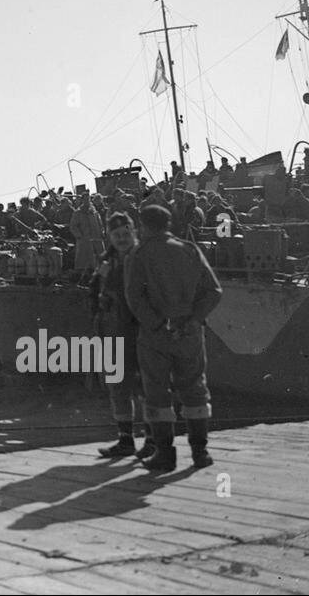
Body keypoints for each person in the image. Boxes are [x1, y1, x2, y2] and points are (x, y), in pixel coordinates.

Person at [124, 204, 222, 473]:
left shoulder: (140, 254)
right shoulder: (190, 249)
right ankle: (200, 452)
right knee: (195, 388)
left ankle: (165, 455)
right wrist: (192, 319)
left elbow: (134, 297)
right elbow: (214, 291)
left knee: (157, 392)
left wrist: (156, 323)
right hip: (189, 332)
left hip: (156, 335)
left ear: (143, 225)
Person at [91, 212, 152, 460]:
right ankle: (126, 440)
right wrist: (99, 281)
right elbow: (92, 292)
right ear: (110, 236)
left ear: (133, 232)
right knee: (118, 388)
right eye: (117, 235)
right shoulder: (107, 259)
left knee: (144, 389)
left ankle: (152, 440)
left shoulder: (142, 257)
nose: (122, 239)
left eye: (126, 234)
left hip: (138, 332)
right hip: (113, 332)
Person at [69, 194, 104, 279]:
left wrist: (102, 232)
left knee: (100, 259)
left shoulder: (94, 212)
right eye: (85, 199)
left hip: (97, 239)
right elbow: (73, 226)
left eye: (88, 199)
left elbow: (100, 224)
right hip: (84, 240)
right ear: (82, 200)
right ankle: (82, 278)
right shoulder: (78, 213)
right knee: (83, 261)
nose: (87, 201)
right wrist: (79, 236)